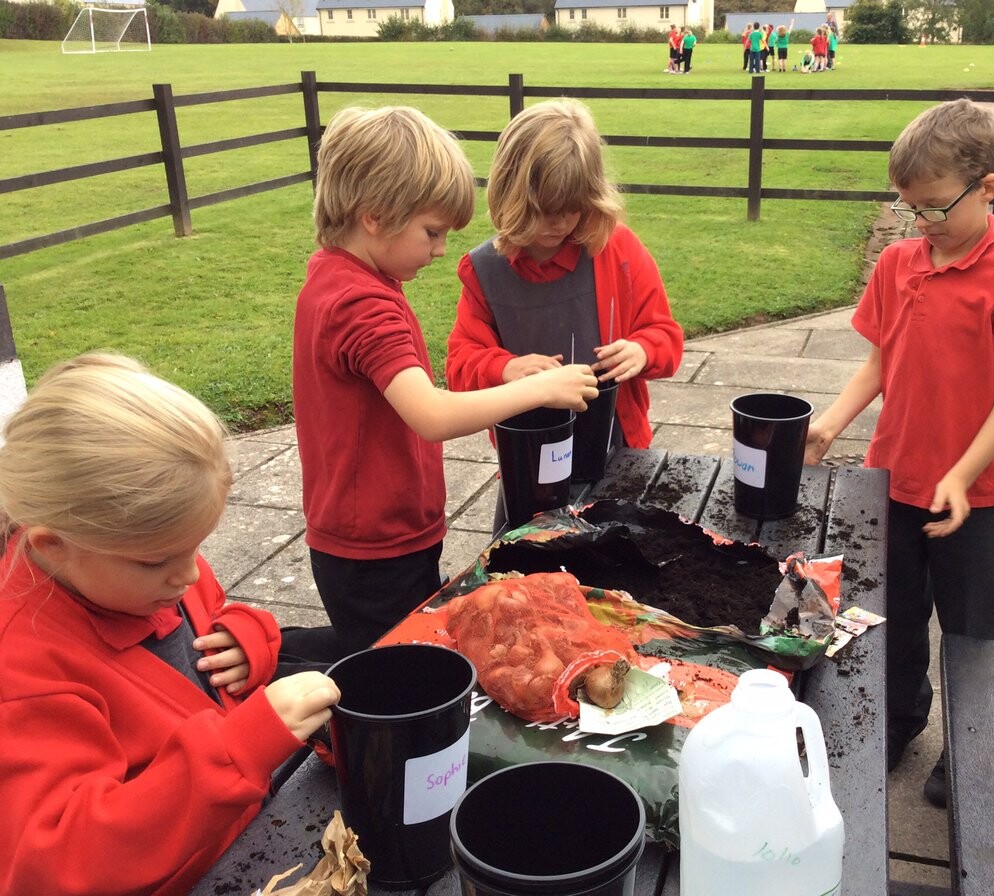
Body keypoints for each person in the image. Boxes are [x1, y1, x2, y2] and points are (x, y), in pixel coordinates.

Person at [803, 100, 994, 808]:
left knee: (974, 629)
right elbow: (879, 362)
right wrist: (830, 424)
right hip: (894, 480)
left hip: (973, 499)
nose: (918, 221)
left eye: (932, 207)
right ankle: (897, 722)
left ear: (987, 188)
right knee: (892, 616)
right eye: (908, 206)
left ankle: (974, 739)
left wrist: (962, 475)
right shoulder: (898, 263)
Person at [0, 353, 343, 895]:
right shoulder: (22, 673)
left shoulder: (129, 573)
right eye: (159, 559)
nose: (189, 572)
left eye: (196, 547)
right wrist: (239, 749)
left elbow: (209, 616)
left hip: (247, 836)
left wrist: (249, 636)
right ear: (53, 545)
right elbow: (55, 862)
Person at [293, 106, 598, 654]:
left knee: (382, 647)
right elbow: (431, 415)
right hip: (377, 547)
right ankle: (271, 664)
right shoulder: (362, 303)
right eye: (431, 232)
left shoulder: (338, 275)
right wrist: (538, 388)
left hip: (370, 535)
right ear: (374, 215)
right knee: (399, 675)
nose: (440, 250)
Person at [447, 99, 684, 521]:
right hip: (530, 468)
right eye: (543, 210)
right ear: (510, 195)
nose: (558, 223)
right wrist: (505, 369)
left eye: (572, 208)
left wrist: (643, 350)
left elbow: (667, 337)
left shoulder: (619, 252)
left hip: (618, 457)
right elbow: (460, 365)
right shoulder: (484, 272)